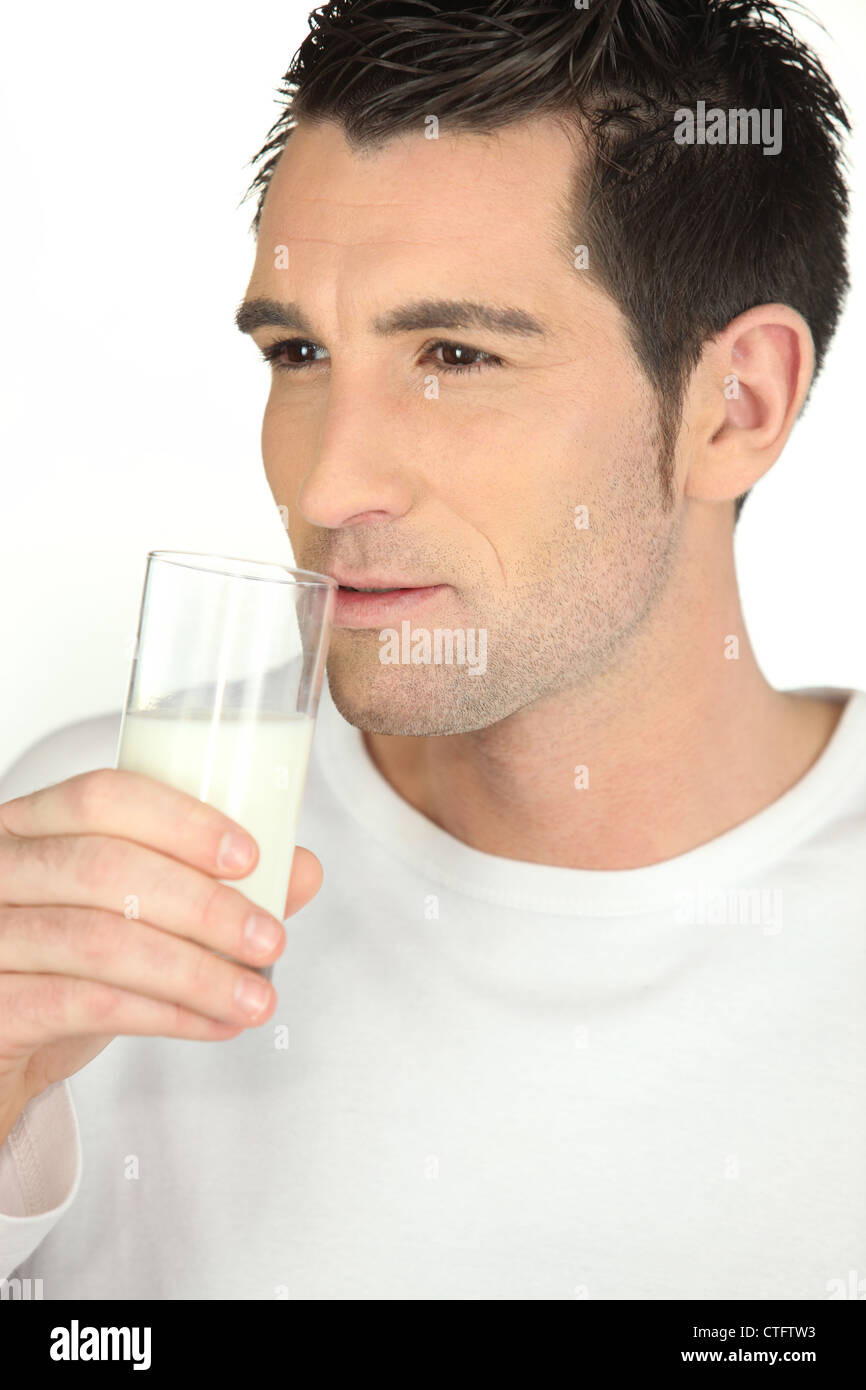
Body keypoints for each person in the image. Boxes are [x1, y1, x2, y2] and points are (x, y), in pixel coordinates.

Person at [1, 0, 863, 1301]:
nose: (329, 481)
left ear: (734, 404)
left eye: (453, 354)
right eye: (299, 352)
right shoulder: (91, 863)